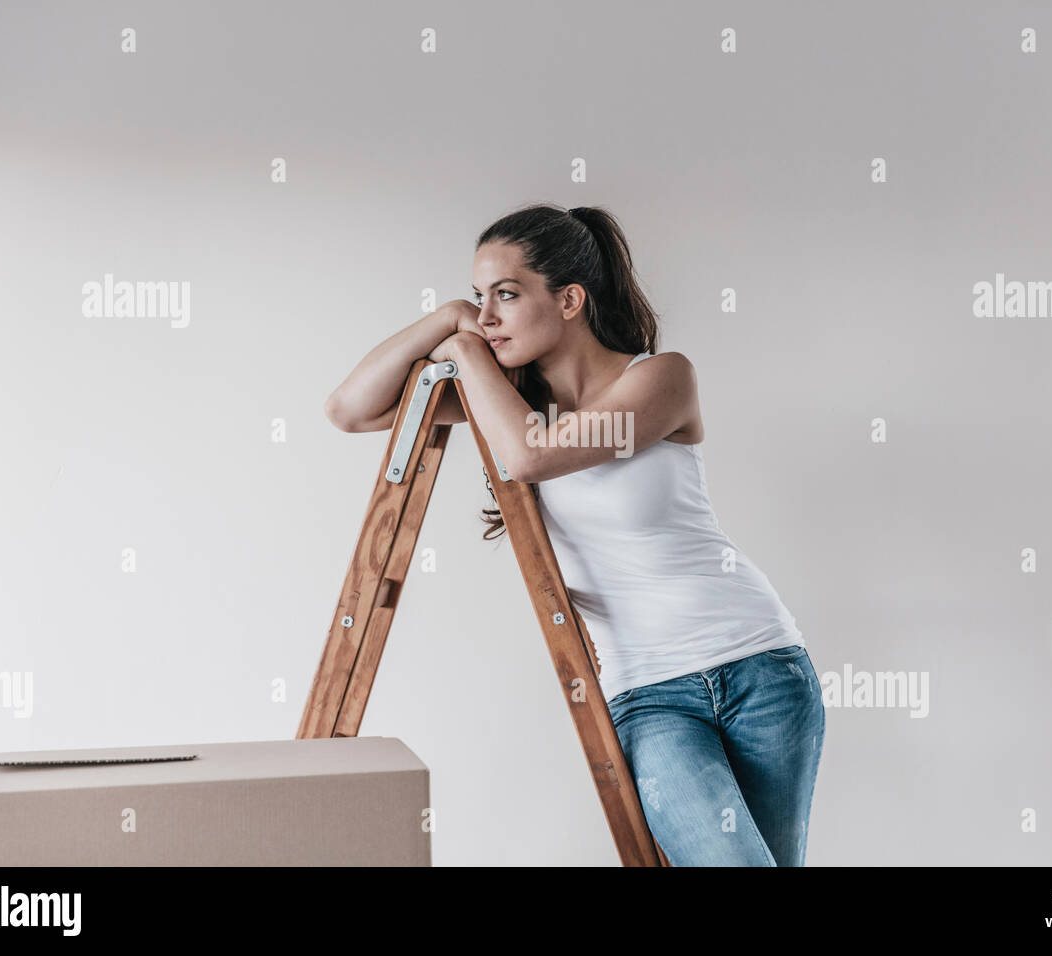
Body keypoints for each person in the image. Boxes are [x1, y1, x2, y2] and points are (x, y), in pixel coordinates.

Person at [324, 202, 825, 866]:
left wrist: (466, 352)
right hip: (649, 695)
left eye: (506, 294)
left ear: (569, 300)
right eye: (480, 297)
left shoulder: (661, 378)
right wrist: (445, 319)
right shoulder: (508, 406)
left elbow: (534, 454)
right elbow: (350, 411)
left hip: (762, 669)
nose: (487, 316)